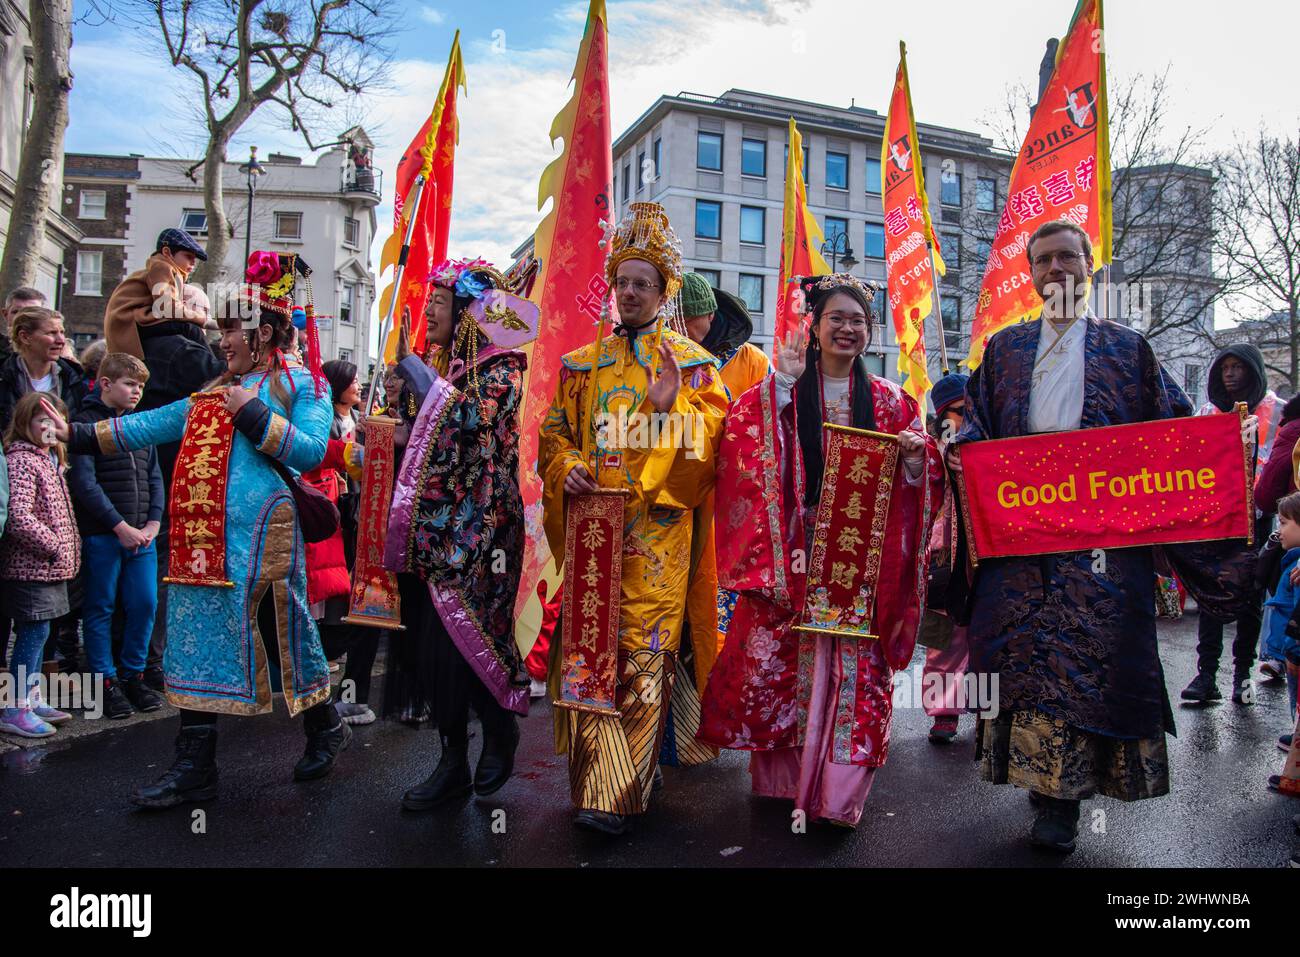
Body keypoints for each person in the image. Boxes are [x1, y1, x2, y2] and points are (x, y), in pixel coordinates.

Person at [950, 219, 1253, 853]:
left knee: (1094, 661)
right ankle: (1043, 795)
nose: (1056, 270)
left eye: (1068, 258)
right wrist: (965, 454)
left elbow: (1176, 438)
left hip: (1103, 548)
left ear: (1090, 268)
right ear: (1030, 274)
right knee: (1027, 664)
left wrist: (1225, 445)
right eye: (1043, 261)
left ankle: (1069, 798)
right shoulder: (1004, 351)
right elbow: (974, 425)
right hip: (1024, 539)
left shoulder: (1129, 350)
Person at [50, 250, 348, 807]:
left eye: (232, 329)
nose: (223, 339)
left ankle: (324, 723)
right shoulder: (210, 393)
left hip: (265, 542)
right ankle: (195, 764)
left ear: (263, 332)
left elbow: (310, 451)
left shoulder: (304, 384)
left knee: (282, 638)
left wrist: (253, 413)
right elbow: (146, 426)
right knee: (194, 640)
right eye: (223, 328)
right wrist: (75, 433)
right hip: (201, 541)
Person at [697, 273, 939, 828]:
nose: (847, 329)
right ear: (815, 327)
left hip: (861, 565)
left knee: (858, 675)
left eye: (858, 321)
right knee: (780, 667)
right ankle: (783, 784)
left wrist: (914, 459)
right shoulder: (776, 394)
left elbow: (919, 485)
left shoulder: (892, 402)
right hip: (792, 556)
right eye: (836, 319)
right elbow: (739, 451)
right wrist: (777, 393)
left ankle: (838, 797)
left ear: (870, 332)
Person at [539, 203, 729, 835]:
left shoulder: (693, 366)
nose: (628, 293)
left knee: (643, 656)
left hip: (657, 538)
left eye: (642, 284)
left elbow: (709, 451)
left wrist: (667, 409)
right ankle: (597, 783)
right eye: (621, 282)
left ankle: (617, 794)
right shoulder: (578, 365)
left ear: (664, 292)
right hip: (594, 532)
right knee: (591, 651)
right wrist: (566, 468)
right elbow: (555, 433)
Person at [383, 258, 533, 809]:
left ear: (470, 312)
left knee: (467, 639)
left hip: (482, 533)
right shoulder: (445, 371)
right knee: (428, 647)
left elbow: (470, 422)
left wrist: (420, 378)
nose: (428, 312)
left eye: (439, 303)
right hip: (431, 533)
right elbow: (416, 436)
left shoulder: (502, 370)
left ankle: (499, 729)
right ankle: (451, 759)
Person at [106, 229, 225, 694]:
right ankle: (143, 663)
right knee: (156, 574)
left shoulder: (151, 342)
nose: (190, 264)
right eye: (187, 256)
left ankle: (132, 663)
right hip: (167, 481)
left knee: (135, 577)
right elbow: (220, 381)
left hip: (145, 482)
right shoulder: (178, 342)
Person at [679, 271, 773, 665]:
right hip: (678, 493)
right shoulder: (667, 354)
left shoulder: (751, 362)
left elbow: (766, 429)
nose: (679, 327)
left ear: (710, 316)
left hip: (731, 498)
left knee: (721, 607)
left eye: (687, 318)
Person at [67, 352, 164, 720]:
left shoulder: (139, 426)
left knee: (144, 605)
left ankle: (133, 675)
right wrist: (118, 527)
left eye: (140, 385)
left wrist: (153, 524)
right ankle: (104, 683)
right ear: (106, 384)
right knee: (100, 607)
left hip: (143, 536)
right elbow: (84, 483)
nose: (136, 391)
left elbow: (155, 477)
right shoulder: (85, 424)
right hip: (104, 536)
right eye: (129, 384)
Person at [1183, 343, 1281, 702]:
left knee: (1251, 597)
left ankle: (1242, 677)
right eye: (1224, 367)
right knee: (1212, 594)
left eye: (1238, 367)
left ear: (1253, 371)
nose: (1230, 374)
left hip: (1257, 520)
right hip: (1215, 520)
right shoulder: (1206, 412)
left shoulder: (1276, 413)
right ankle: (1205, 675)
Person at [0, 393, 78, 738]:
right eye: (41, 420)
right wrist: (55, 545)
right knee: (31, 635)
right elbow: (18, 516)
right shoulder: (21, 460)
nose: (49, 428)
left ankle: (29, 697)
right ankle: (14, 707)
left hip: (49, 566)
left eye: (54, 420)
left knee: (41, 632)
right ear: (24, 423)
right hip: (31, 565)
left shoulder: (48, 459)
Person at [302, 360, 372, 725]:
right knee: (327, 583)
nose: (359, 386)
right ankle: (323, 652)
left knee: (346, 584)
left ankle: (333, 649)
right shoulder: (320, 420)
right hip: (330, 507)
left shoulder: (363, 420)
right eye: (353, 380)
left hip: (359, 509)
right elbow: (315, 457)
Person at [920, 372, 971, 744]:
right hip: (941, 558)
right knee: (943, 639)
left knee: (985, 635)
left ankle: (987, 709)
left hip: (985, 556)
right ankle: (943, 712)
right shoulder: (926, 452)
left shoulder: (991, 445)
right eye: (960, 412)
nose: (967, 419)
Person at [1, 287, 47, 358]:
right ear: (5, 314)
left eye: (32, 313)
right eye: (16, 312)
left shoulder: (53, 349)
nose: (23, 318)